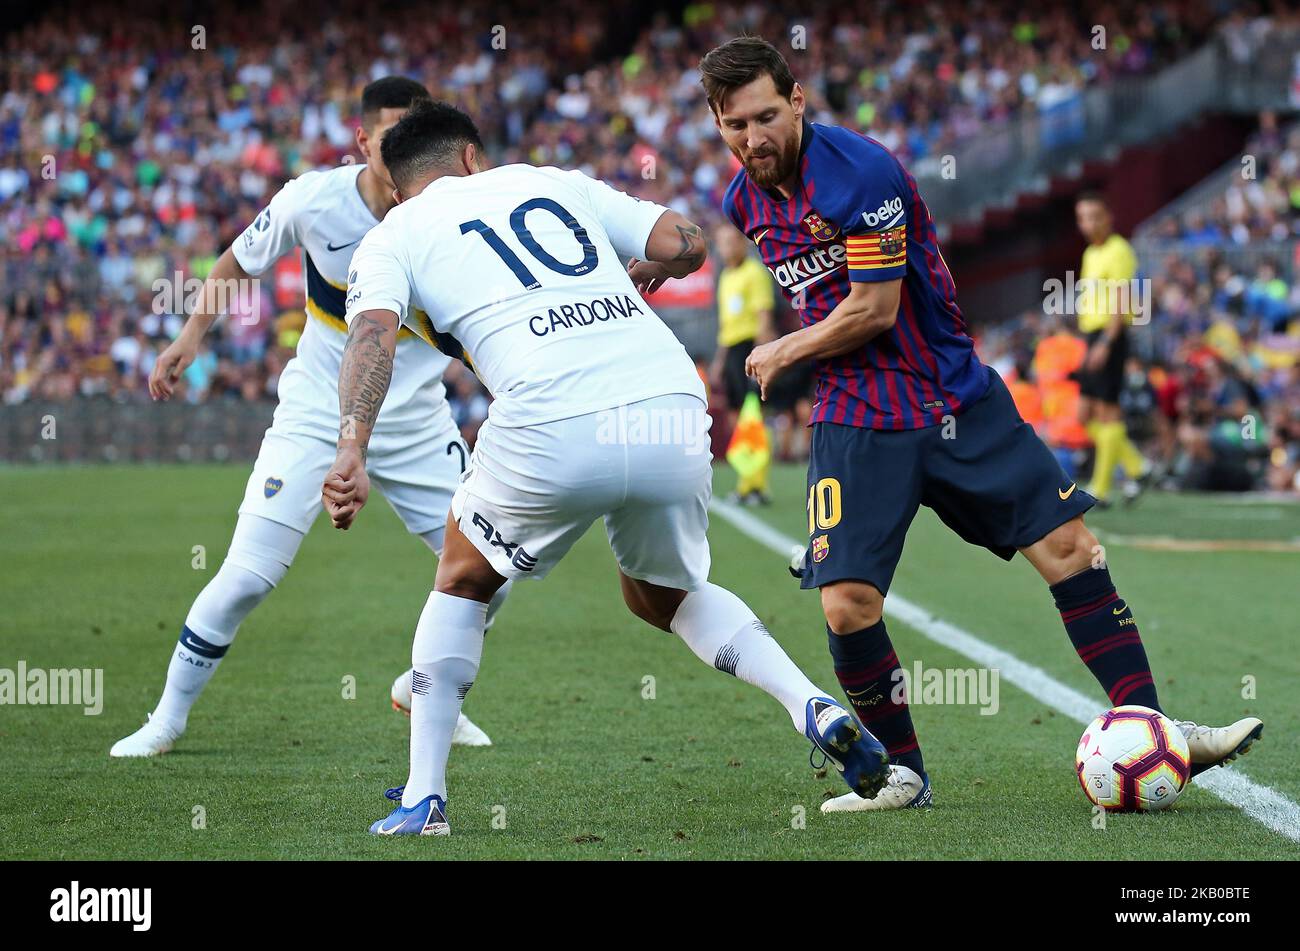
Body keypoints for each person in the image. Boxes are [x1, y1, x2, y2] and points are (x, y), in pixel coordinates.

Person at [700, 36, 1263, 813]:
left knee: (1072, 549)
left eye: (767, 116)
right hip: (856, 415)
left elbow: (875, 308)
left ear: (797, 100)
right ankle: (902, 773)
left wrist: (787, 347)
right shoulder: (743, 201)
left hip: (949, 396)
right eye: (735, 127)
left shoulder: (861, 173)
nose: (754, 139)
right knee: (846, 604)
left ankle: (1156, 726)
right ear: (717, 125)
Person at [323, 100, 891, 836]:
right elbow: (685, 241)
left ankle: (424, 797)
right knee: (663, 595)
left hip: (552, 414)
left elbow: (370, 337)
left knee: (464, 574)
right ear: (471, 156)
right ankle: (808, 702)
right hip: (667, 395)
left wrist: (350, 448)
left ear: (400, 185)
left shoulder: (393, 232)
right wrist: (650, 267)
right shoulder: (555, 181)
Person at [110, 78, 503, 759]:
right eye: (390, 139)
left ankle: (424, 687)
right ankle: (166, 719)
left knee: (486, 572)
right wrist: (188, 338)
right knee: (245, 577)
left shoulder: (455, 214)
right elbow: (236, 261)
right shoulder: (313, 201)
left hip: (416, 424)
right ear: (362, 141)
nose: (406, 151)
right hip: (317, 414)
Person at [1073, 192, 1150, 506]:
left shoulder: (1119, 250)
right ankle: (1137, 466)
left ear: (1108, 217)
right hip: (1092, 335)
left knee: (1107, 411)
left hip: (1110, 335)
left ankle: (1100, 489)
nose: (1088, 224)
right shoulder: (1091, 253)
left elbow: (1122, 298)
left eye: (1094, 216)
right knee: (1083, 413)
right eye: (1082, 217)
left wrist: (1106, 341)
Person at [710, 224, 775, 504]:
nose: (726, 248)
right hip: (733, 350)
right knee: (738, 417)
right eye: (721, 243)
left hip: (750, 348)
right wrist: (720, 361)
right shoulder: (725, 276)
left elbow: (763, 317)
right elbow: (727, 323)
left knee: (753, 417)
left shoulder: (754, 273)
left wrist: (760, 356)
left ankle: (756, 486)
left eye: (731, 242)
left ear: (742, 244)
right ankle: (745, 482)